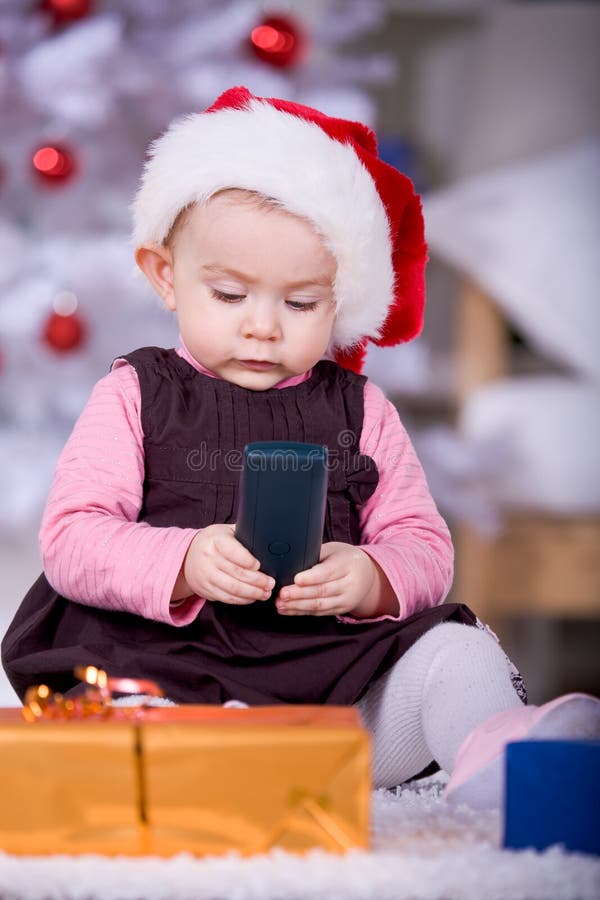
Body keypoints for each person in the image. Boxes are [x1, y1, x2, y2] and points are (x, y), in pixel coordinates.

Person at [3, 87, 598, 810]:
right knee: (119, 723)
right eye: (229, 295)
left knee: (460, 650)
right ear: (167, 276)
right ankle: (201, 768)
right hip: (166, 675)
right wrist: (183, 561)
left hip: (329, 695)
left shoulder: (360, 409)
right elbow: (71, 538)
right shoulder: (135, 393)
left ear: (339, 299)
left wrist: (373, 576)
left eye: (300, 303)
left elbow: (425, 545)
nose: (263, 327)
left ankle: (504, 759)